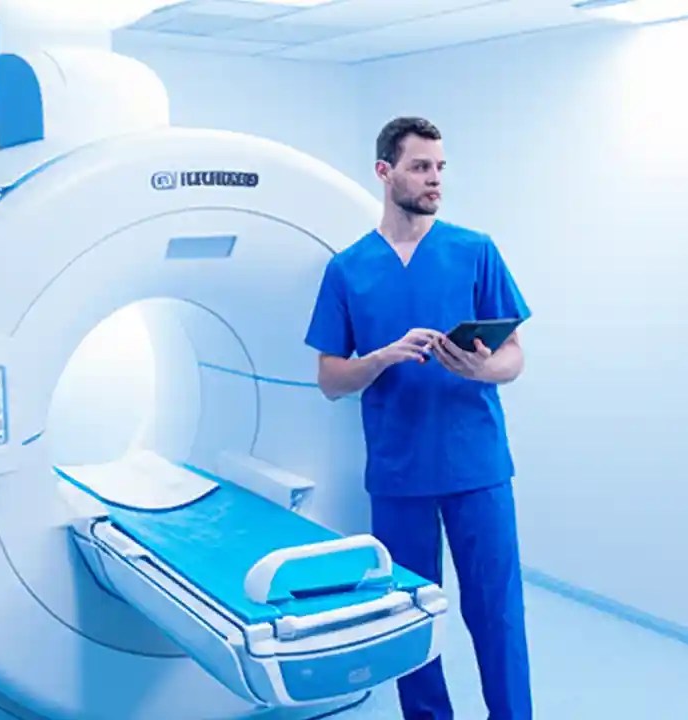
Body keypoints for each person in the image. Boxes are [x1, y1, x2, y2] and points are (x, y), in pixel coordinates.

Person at [303, 116, 533, 719]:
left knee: (498, 612)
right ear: (385, 172)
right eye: (420, 167)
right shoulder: (348, 269)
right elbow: (330, 380)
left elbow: (514, 356)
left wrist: (481, 369)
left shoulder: (474, 251)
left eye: (439, 167)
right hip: (400, 472)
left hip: (476, 463)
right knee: (410, 615)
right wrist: (378, 358)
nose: (435, 179)